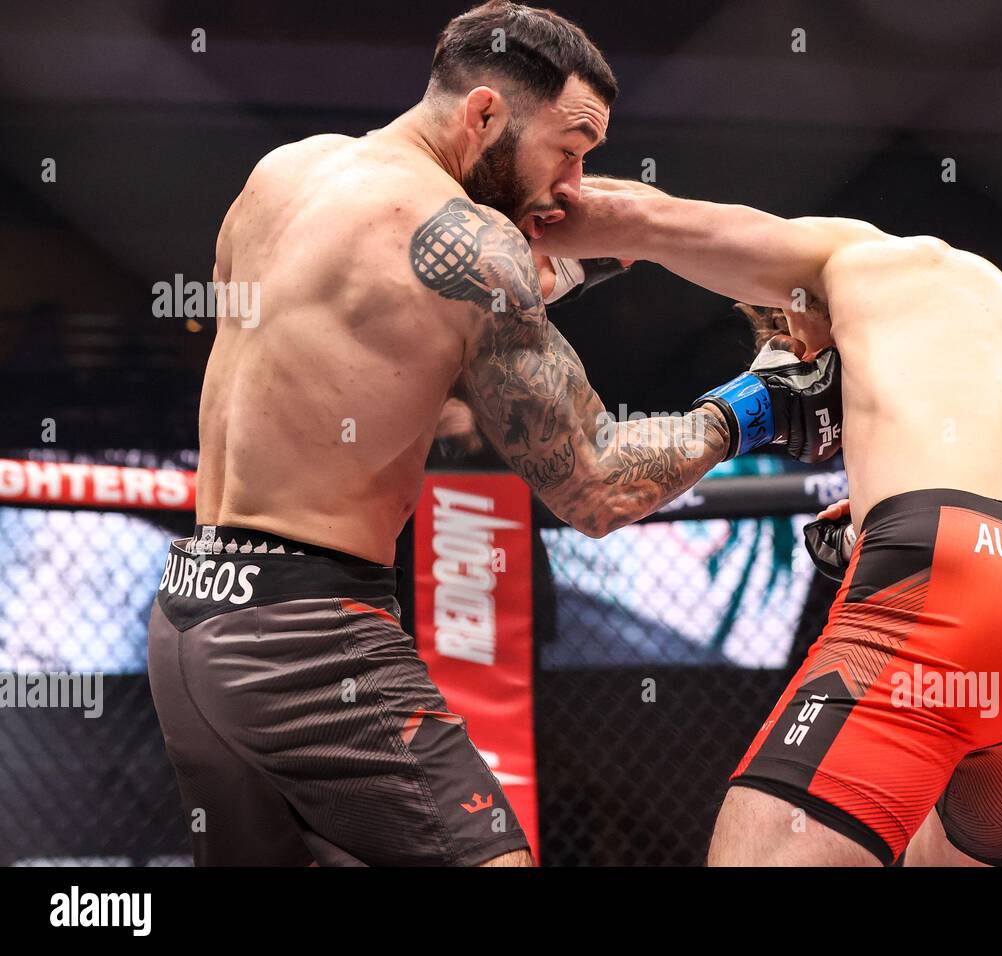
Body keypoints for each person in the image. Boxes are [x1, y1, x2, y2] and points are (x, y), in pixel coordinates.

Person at [146, 1, 842, 867]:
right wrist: (756, 404)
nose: (576, 185)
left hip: (190, 619)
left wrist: (563, 267)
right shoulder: (473, 247)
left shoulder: (287, 174)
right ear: (484, 113)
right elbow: (596, 486)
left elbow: (384, 310)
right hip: (310, 638)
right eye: (570, 149)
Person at [536, 176, 1002, 866]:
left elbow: (645, 216)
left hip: (943, 584)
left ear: (793, 319)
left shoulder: (857, 259)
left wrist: (502, 214)